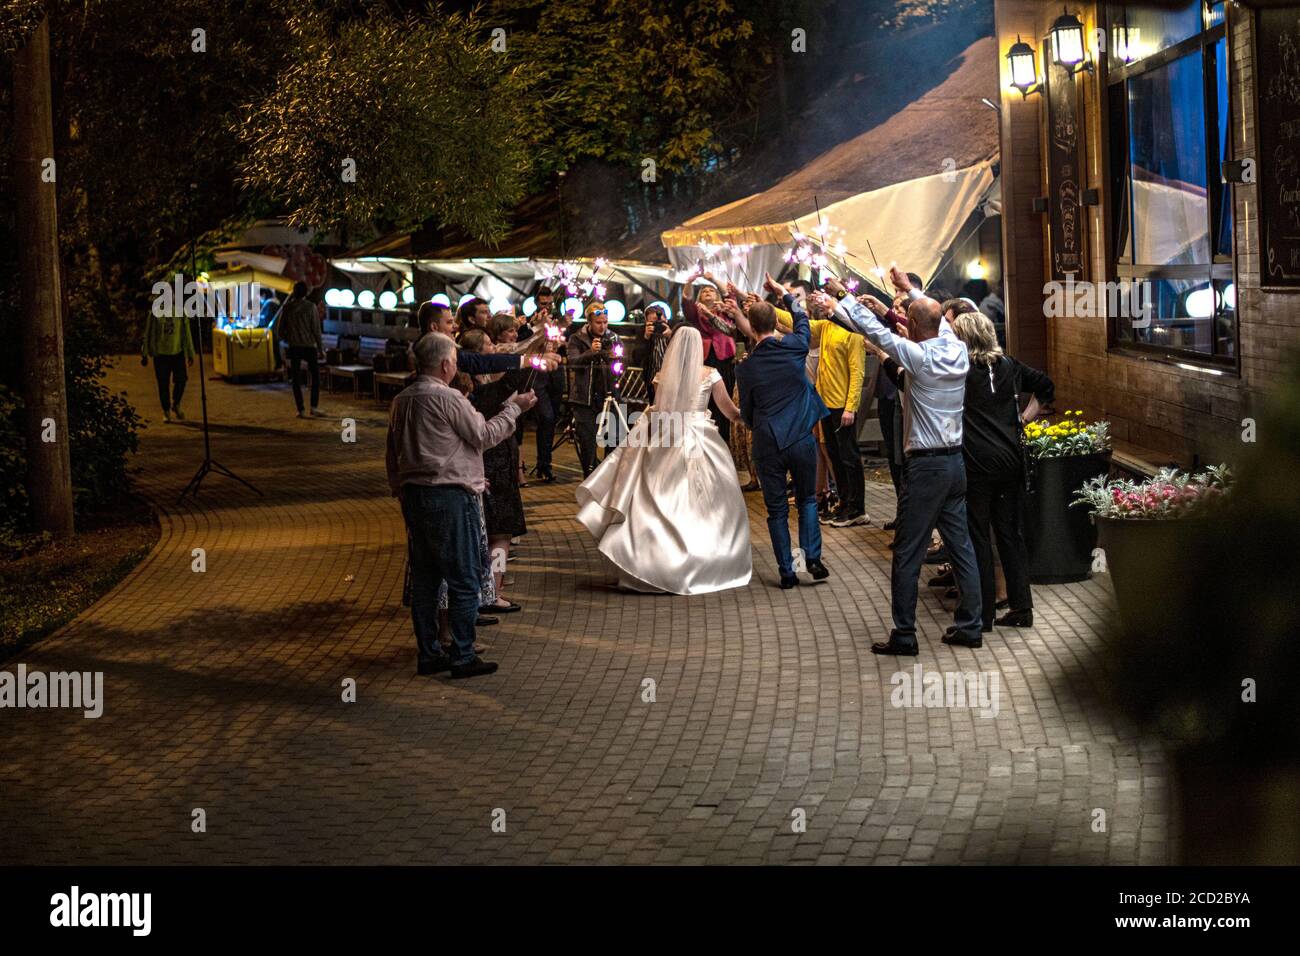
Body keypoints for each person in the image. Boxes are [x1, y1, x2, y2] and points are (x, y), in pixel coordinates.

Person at [825, 268, 983, 652]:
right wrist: (908, 291)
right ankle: (971, 626)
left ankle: (905, 633)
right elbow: (930, 319)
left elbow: (876, 333)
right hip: (954, 464)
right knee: (961, 546)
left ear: (911, 324)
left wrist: (844, 295)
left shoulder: (916, 356)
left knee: (908, 550)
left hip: (927, 467)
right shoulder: (957, 350)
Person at [386, 332, 537, 679]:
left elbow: (391, 454)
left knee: (426, 579)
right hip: (451, 497)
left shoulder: (403, 400)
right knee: (464, 577)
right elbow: (483, 436)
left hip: (415, 496)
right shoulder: (448, 399)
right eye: (455, 359)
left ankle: (429, 653)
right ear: (445, 364)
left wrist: (399, 488)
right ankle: (462, 654)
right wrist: (514, 408)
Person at [576, 326, 751, 594]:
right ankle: (700, 561)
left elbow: (658, 410)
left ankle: (651, 564)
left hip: (666, 436)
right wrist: (749, 415)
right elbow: (728, 410)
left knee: (655, 498)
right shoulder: (711, 374)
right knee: (701, 503)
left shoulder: (662, 376)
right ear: (699, 348)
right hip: (699, 439)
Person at [951, 311, 1053, 631]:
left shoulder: (960, 371)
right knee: (1010, 535)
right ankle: (1022, 609)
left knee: (979, 537)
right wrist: (1024, 417)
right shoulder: (1009, 365)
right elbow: (1046, 386)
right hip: (1010, 462)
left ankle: (984, 616)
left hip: (976, 464)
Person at [735, 273, 831, 589]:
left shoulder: (745, 367)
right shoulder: (793, 347)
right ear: (776, 321)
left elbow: (747, 411)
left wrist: (755, 425)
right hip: (801, 437)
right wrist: (784, 294)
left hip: (767, 441)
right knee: (806, 501)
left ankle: (787, 572)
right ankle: (812, 558)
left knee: (776, 511)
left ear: (750, 327)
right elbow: (802, 318)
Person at [463, 327, 529, 613]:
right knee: (499, 534)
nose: (494, 349)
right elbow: (496, 402)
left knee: (494, 533)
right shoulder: (477, 390)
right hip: (491, 464)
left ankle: (491, 587)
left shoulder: (477, 385)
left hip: (500, 461)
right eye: (489, 345)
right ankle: (493, 590)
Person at [681, 270, 738, 443]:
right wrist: (690, 281)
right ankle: (705, 440)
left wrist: (713, 278)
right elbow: (686, 301)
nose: (708, 293)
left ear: (717, 295)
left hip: (725, 359)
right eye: (704, 291)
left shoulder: (726, 311)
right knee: (705, 401)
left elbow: (730, 295)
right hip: (704, 359)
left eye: (711, 290)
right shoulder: (696, 313)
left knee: (725, 398)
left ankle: (724, 441)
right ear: (700, 297)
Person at [567, 301, 617, 476]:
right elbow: (572, 363)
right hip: (584, 397)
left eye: (605, 322)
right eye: (598, 322)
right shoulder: (576, 338)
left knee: (614, 440)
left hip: (609, 395)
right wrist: (590, 353)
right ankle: (590, 479)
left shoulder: (613, 338)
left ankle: (609, 479)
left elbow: (621, 364)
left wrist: (614, 358)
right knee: (588, 442)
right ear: (589, 321)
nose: (603, 326)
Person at [140, 305, 195, 423]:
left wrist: (190, 352)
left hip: (177, 352)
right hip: (160, 354)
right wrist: (144, 353)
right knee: (163, 384)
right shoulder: (155, 313)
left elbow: (186, 332)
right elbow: (148, 333)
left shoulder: (180, 312)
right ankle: (166, 410)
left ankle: (176, 403)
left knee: (181, 380)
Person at [278, 281, 324, 418]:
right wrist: (321, 349)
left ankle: (301, 409)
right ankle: (314, 407)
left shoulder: (287, 308)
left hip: (295, 346)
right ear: (306, 293)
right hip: (309, 346)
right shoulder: (311, 307)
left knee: (296, 379)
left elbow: (280, 330)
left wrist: (288, 337)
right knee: (315, 376)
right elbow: (316, 329)